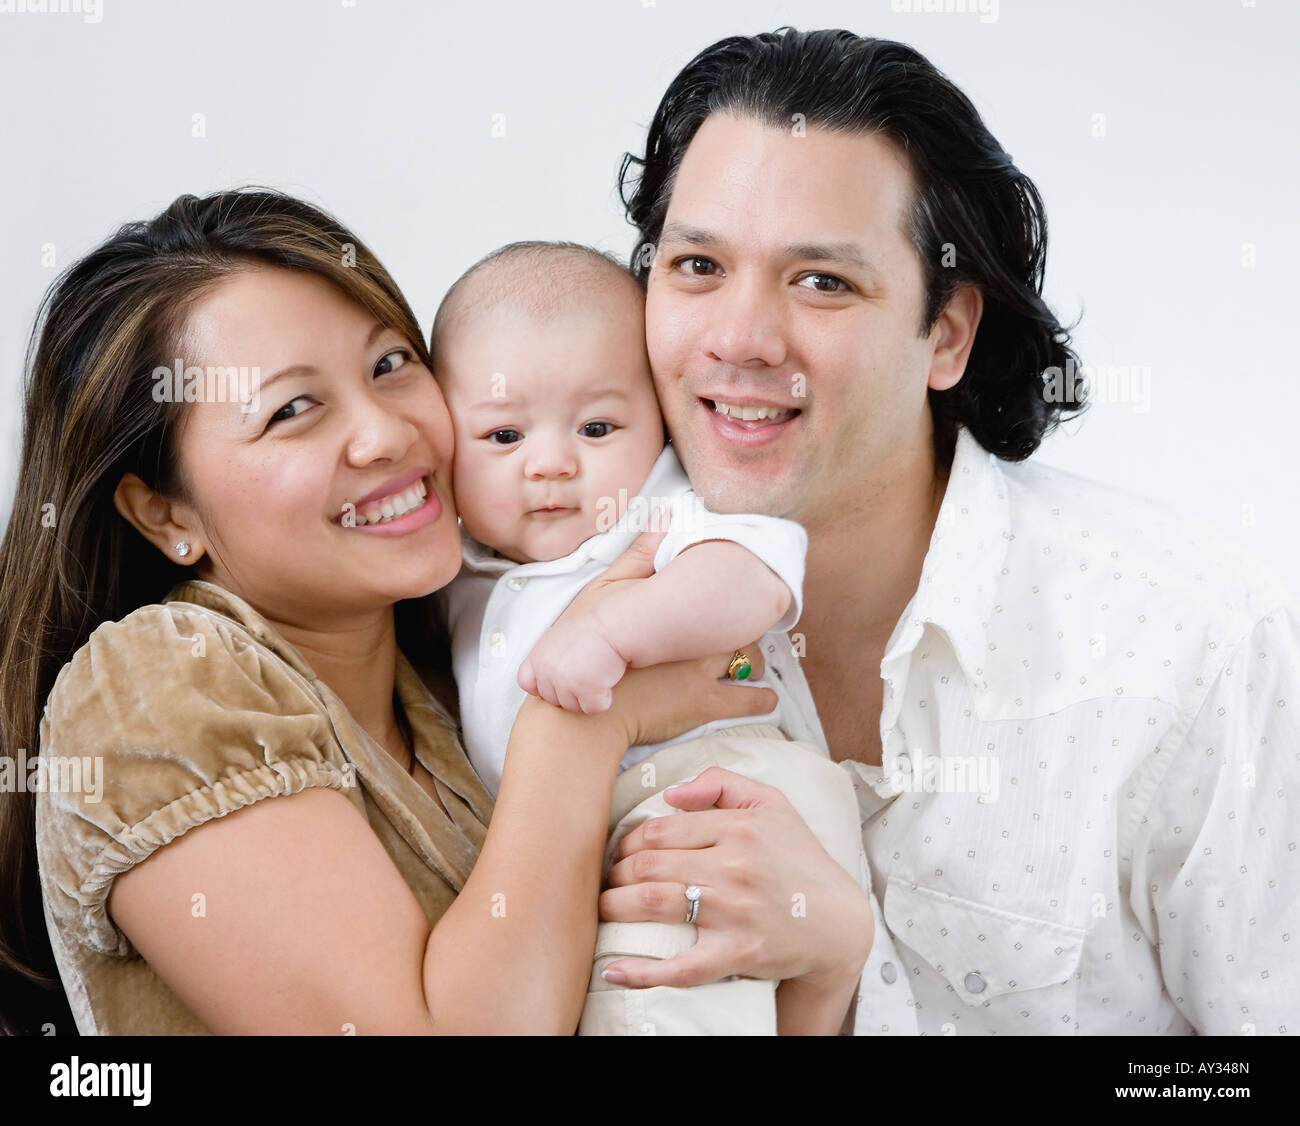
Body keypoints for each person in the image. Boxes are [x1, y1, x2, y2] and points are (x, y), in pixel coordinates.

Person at [0, 188, 869, 1036]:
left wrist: (830, 957)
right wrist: (578, 730)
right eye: (292, 410)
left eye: (388, 366)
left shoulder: (450, 693)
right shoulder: (161, 682)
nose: (384, 432)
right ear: (167, 513)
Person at [598, 28, 1300, 1034]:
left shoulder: (1191, 651)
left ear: (947, 333)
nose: (739, 339)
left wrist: (854, 977)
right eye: (697, 264)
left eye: (822, 281)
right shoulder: (576, 605)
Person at [429, 240, 864, 1034]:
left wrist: (611, 627)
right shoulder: (458, 565)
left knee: (660, 997)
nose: (552, 464)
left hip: (711, 797)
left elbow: (752, 579)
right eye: (502, 437)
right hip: (595, 825)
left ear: (658, 420)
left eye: (597, 426)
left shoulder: (669, 504)